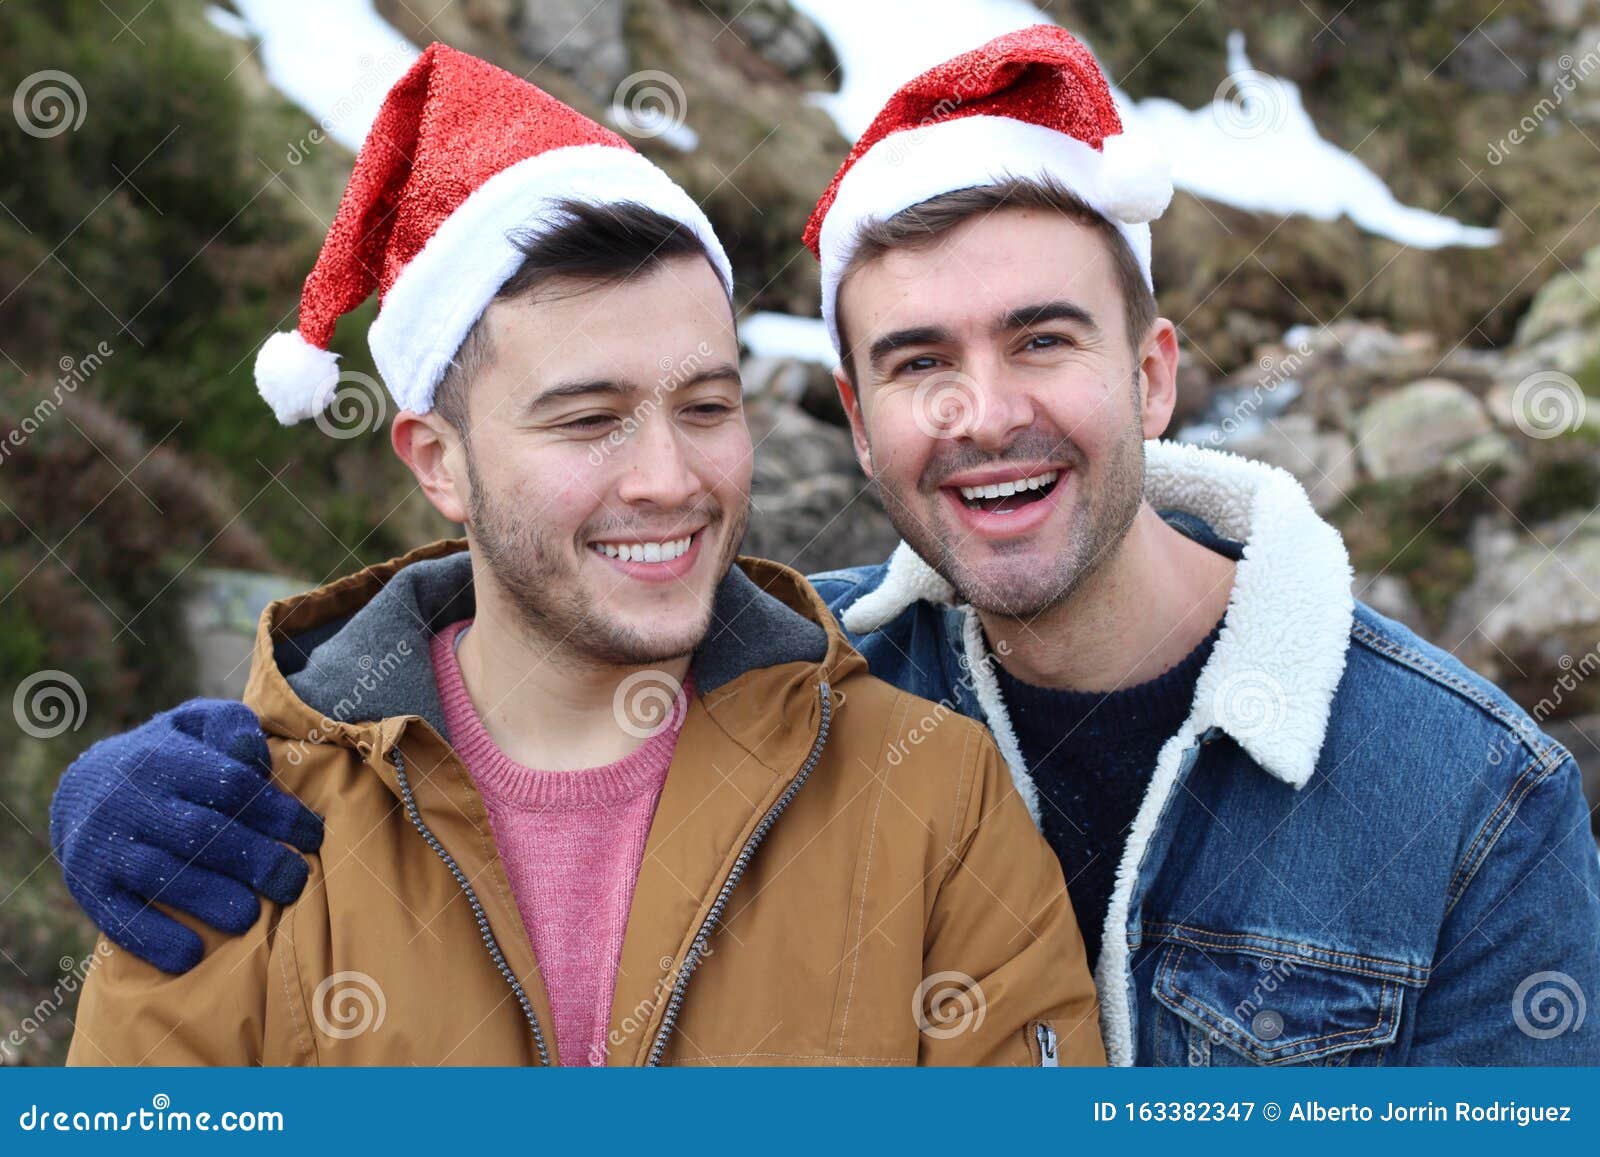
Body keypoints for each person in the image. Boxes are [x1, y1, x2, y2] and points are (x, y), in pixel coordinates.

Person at [55, 28, 1600, 1067]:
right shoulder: (823, 663)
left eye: (1044, 340)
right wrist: (143, 781)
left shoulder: (1474, 801)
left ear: (1154, 372)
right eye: (923, 362)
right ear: (856, 423)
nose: (986, 414)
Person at [57, 43, 1103, 1068]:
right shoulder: (230, 834)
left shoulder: (933, 791)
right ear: (439, 461)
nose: (666, 477)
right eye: (586, 419)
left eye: (704, 407)